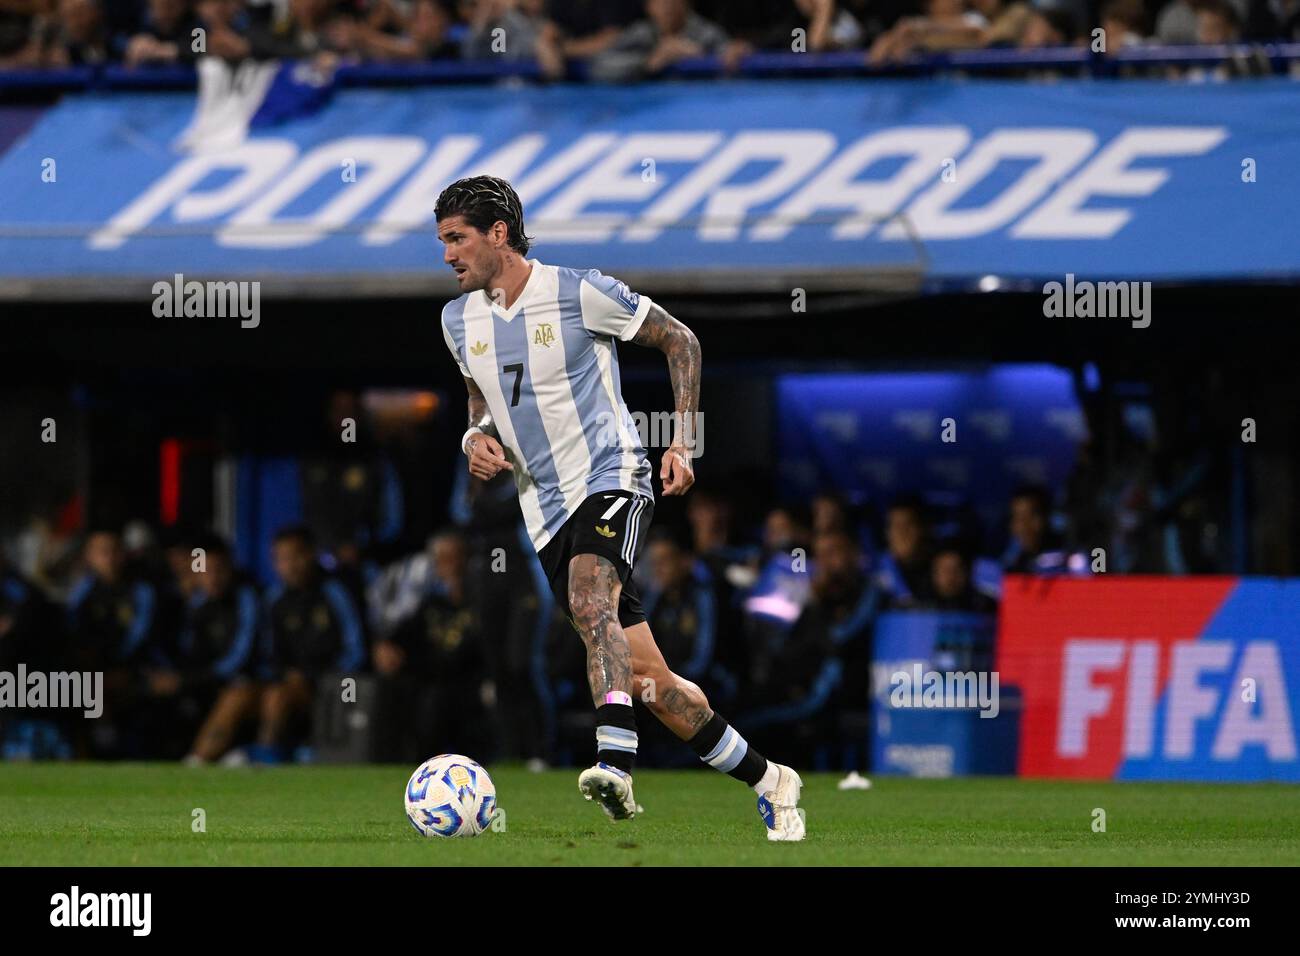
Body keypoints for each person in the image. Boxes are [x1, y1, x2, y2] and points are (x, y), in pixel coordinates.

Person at [436, 175, 804, 840]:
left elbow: (680, 340)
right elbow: (479, 400)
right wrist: (474, 438)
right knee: (654, 684)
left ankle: (615, 764)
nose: (446, 255)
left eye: (456, 238)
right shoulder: (456, 321)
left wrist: (682, 443)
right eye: (441, 242)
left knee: (587, 598)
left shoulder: (580, 291)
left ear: (498, 234)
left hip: (614, 475)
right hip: (544, 512)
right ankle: (773, 781)